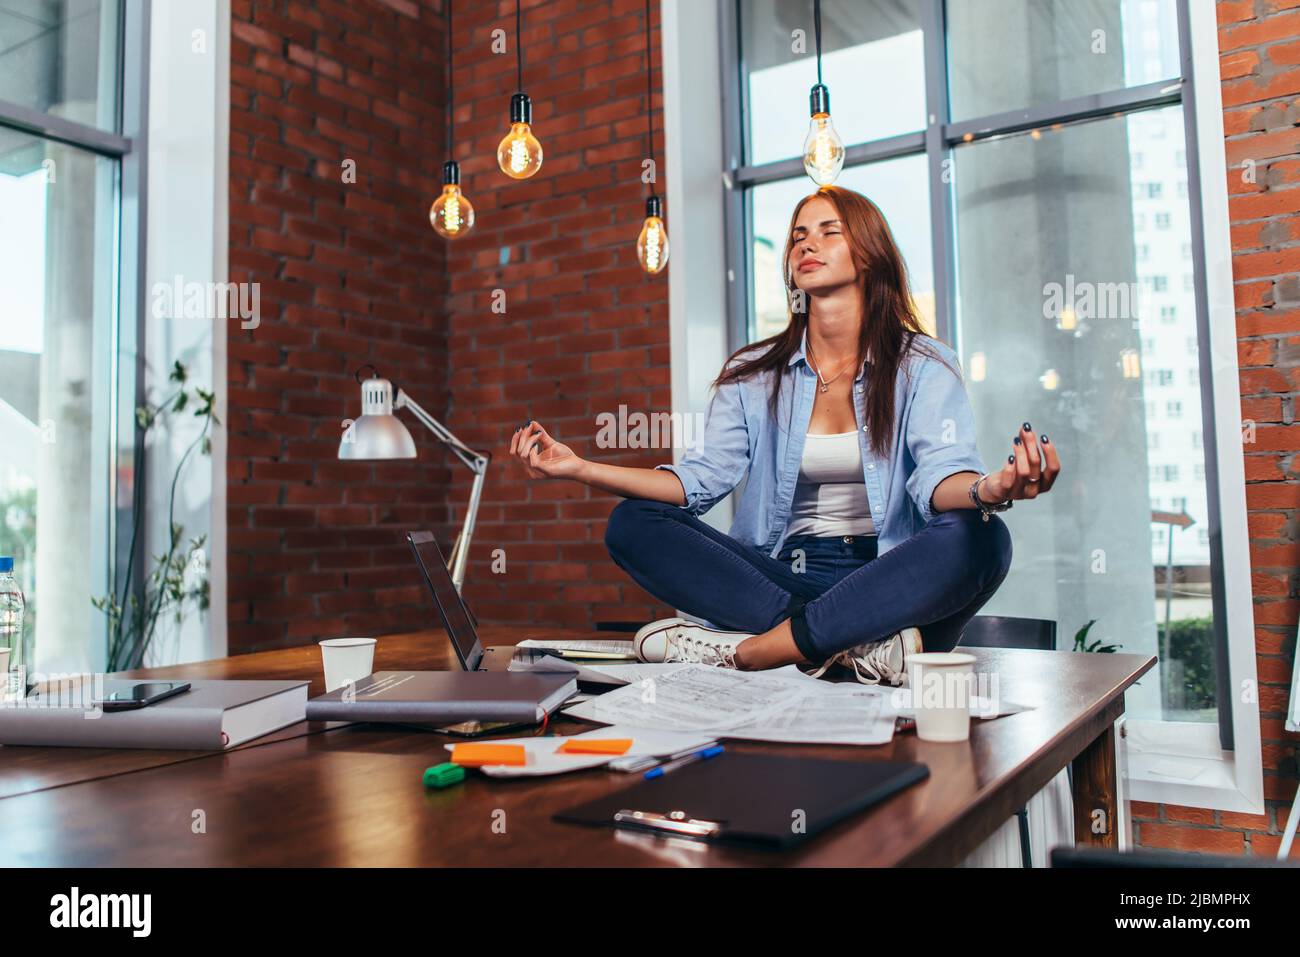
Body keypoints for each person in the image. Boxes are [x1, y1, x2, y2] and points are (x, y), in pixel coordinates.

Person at [509, 186, 1061, 684]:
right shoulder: (754, 373)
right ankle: (853, 646)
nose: (806, 245)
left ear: (868, 252)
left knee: (984, 537)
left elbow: (941, 475)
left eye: (828, 232)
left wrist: (992, 489)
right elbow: (698, 482)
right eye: (798, 236)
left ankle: (753, 652)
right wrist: (579, 467)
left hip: (890, 576)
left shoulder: (923, 364)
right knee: (632, 521)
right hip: (779, 577)